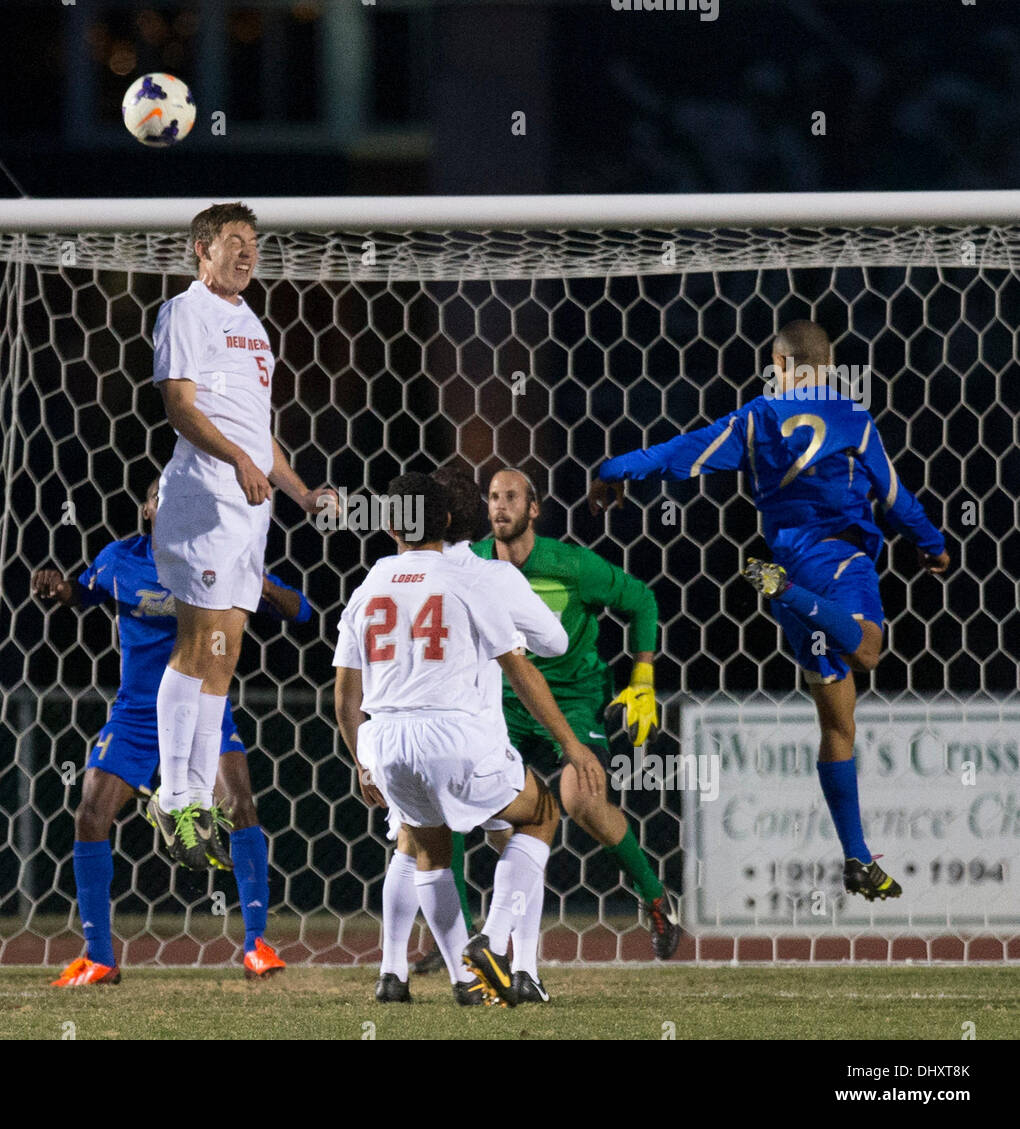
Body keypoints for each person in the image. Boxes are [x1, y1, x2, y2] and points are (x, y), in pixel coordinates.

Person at [589, 319, 950, 901]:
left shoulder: (756, 417)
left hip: (786, 561)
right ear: (829, 368)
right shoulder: (854, 418)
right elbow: (893, 498)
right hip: (836, 563)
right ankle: (786, 591)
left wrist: (615, 469)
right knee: (867, 648)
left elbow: (682, 451)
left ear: (779, 366)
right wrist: (933, 544)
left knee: (838, 722)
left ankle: (857, 858)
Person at [334, 473, 603, 1007]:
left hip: (385, 740)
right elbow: (523, 670)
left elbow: (345, 697)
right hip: (454, 733)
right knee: (540, 813)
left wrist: (362, 760)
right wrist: (571, 743)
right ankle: (494, 940)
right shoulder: (469, 578)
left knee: (426, 852)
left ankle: (463, 982)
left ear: (391, 525)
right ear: (452, 522)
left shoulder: (369, 586)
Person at [33, 477, 311, 985]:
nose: (174, 509)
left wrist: (260, 584)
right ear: (147, 508)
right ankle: (99, 957)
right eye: (166, 500)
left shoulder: (218, 562)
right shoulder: (120, 560)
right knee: (91, 813)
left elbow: (303, 612)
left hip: (204, 708)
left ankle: (256, 946)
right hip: (138, 715)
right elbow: (83, 592)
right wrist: (59, 588)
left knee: (240, 805)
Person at [149, 201, 335, 870]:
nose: (247, 252)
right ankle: (172, 796)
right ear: (202, 249)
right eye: (234, 241)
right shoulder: (184, 311)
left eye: (253, 242)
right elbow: (179, 406)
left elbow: (259, 436)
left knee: (222, 660)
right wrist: (237, 462)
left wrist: (302, 492)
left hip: (250, 507)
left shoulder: (253, 324)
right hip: (203, 497)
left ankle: (197, 798)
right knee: (196, 646)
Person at [465, 466, 681, 968]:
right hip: (506, 708)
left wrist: (643, 677)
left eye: (512, 497)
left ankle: (655, 898)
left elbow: (642, 599)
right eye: (493, 497)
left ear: (533, 509)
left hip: (573, 702)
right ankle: (462, 935)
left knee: (579, 797)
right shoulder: (472, 562)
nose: (500, 506)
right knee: (481, 810)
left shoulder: (570, 565)